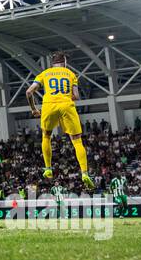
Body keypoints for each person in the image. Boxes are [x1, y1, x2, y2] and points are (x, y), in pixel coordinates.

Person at [26, 52, 93, 189]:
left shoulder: (44, 74)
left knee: (46, 136)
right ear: (65, 62)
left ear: (52, 63)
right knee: (77, 140)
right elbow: (76, 96)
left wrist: (34, 109)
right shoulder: (71, 74)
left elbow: (28, 92)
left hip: (48, 105)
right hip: (67, 105)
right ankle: (85, 173)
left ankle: (48, 168)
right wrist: (65, 98)